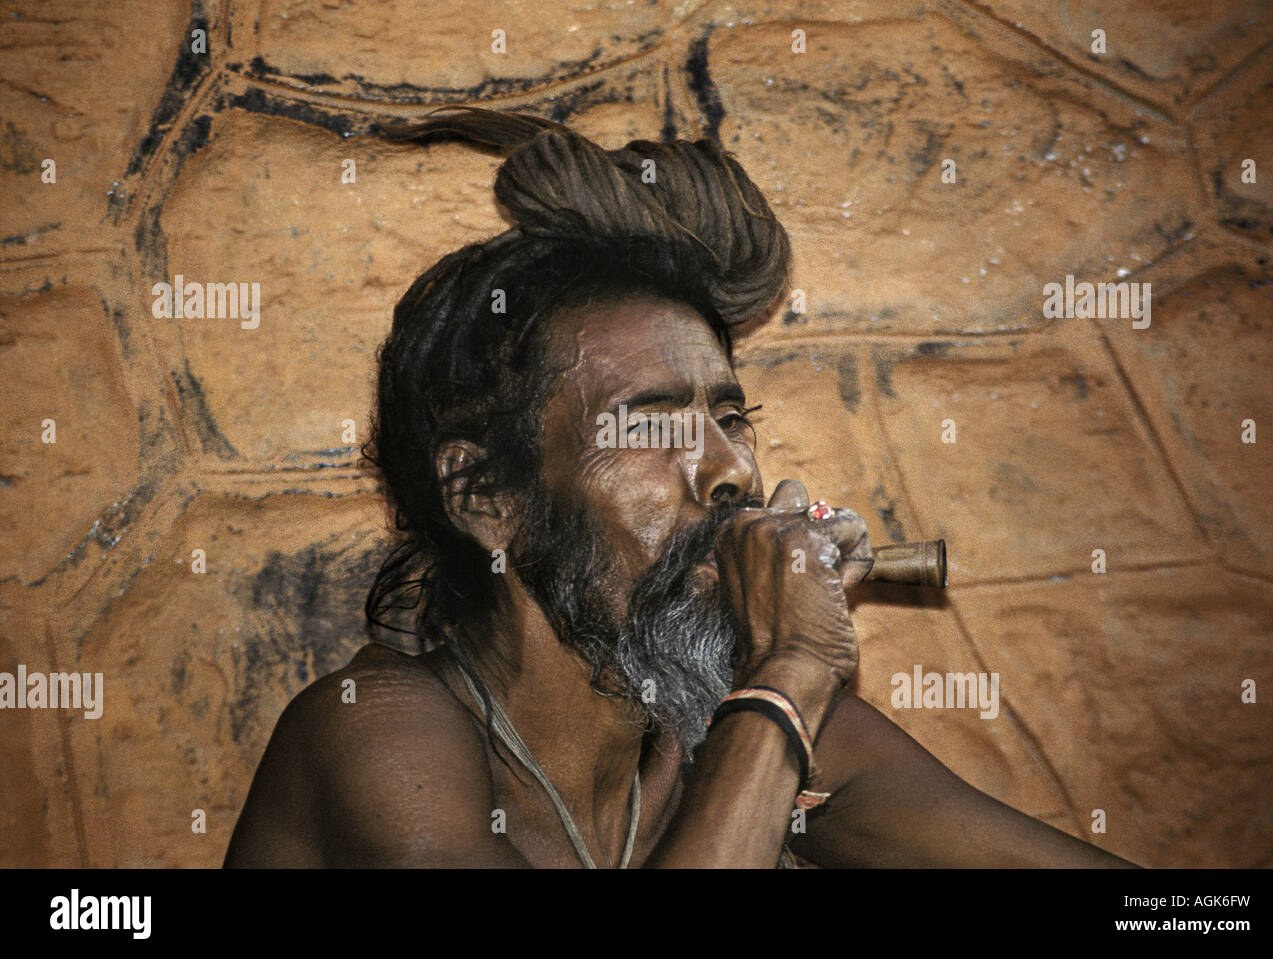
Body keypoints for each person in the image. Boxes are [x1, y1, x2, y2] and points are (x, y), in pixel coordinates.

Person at [224, 107, 1135, 868]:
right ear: (484, 497)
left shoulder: (720, 719)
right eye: (653, 425)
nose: (730, 469)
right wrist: (791, 668)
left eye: (731, 418)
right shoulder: (374, 733)